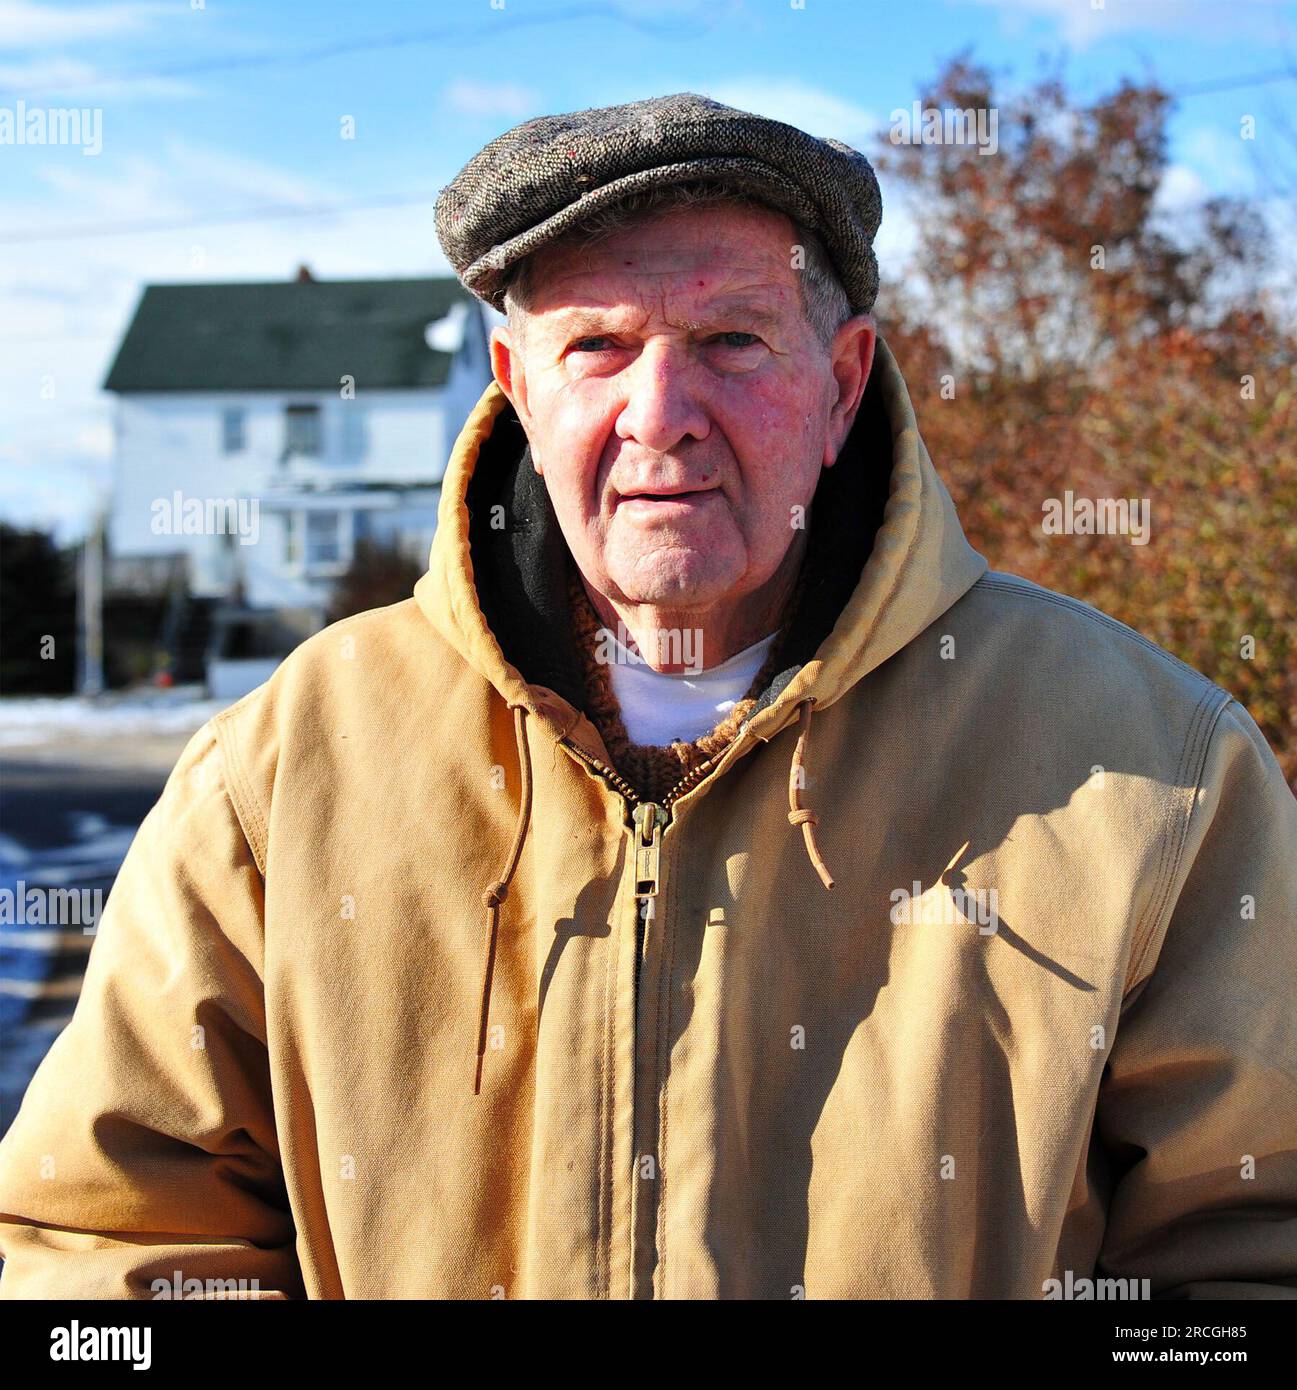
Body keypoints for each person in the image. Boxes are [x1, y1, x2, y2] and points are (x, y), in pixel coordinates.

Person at [1, 93, 1294, 1300]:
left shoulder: (1154, 767)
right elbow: (111, 1234)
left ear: (842, 383)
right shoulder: (285, 767)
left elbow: (1249, 1247)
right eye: (597, 349)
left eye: (730, 340)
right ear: (513, 385)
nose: (658, 413)